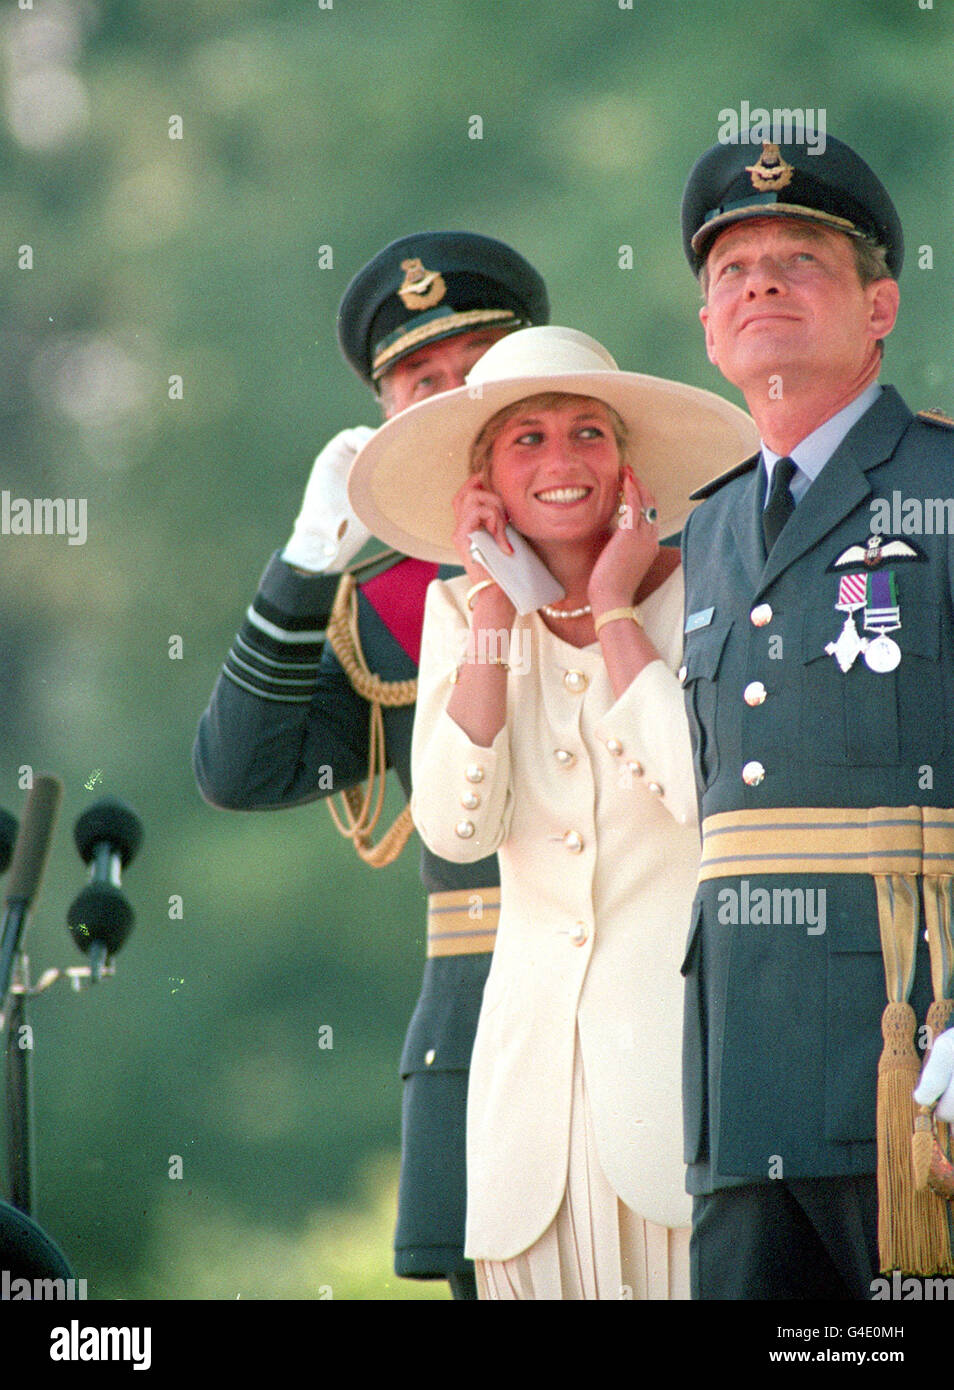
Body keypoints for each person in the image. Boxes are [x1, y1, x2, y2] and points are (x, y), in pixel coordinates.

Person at [348, 324, 758, 1298]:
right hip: (526, 1120)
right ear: (483, 475)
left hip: (685, 1095)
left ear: (627, 464)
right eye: (526, 438)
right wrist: (495, 612)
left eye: (587, 432)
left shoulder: (712, 591)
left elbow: (711, 803)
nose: (561, 460)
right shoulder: (460, 615)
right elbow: (457, 825)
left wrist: (616, 610)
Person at [193, 231, 549, 1299]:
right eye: (421, 385)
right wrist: (309, 561)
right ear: (390, 417)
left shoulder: (663, 531)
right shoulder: (383, 605)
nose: (451, 403)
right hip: (482, 1032)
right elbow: (241, 772)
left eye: (479, 374)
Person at [678, 129, 954, 1298]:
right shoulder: (707, 525)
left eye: (800, 262)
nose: (761, 287)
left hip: (913, 1060)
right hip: (740, 1079)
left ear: (880, 303)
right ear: (706, 325)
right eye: (733, 273)